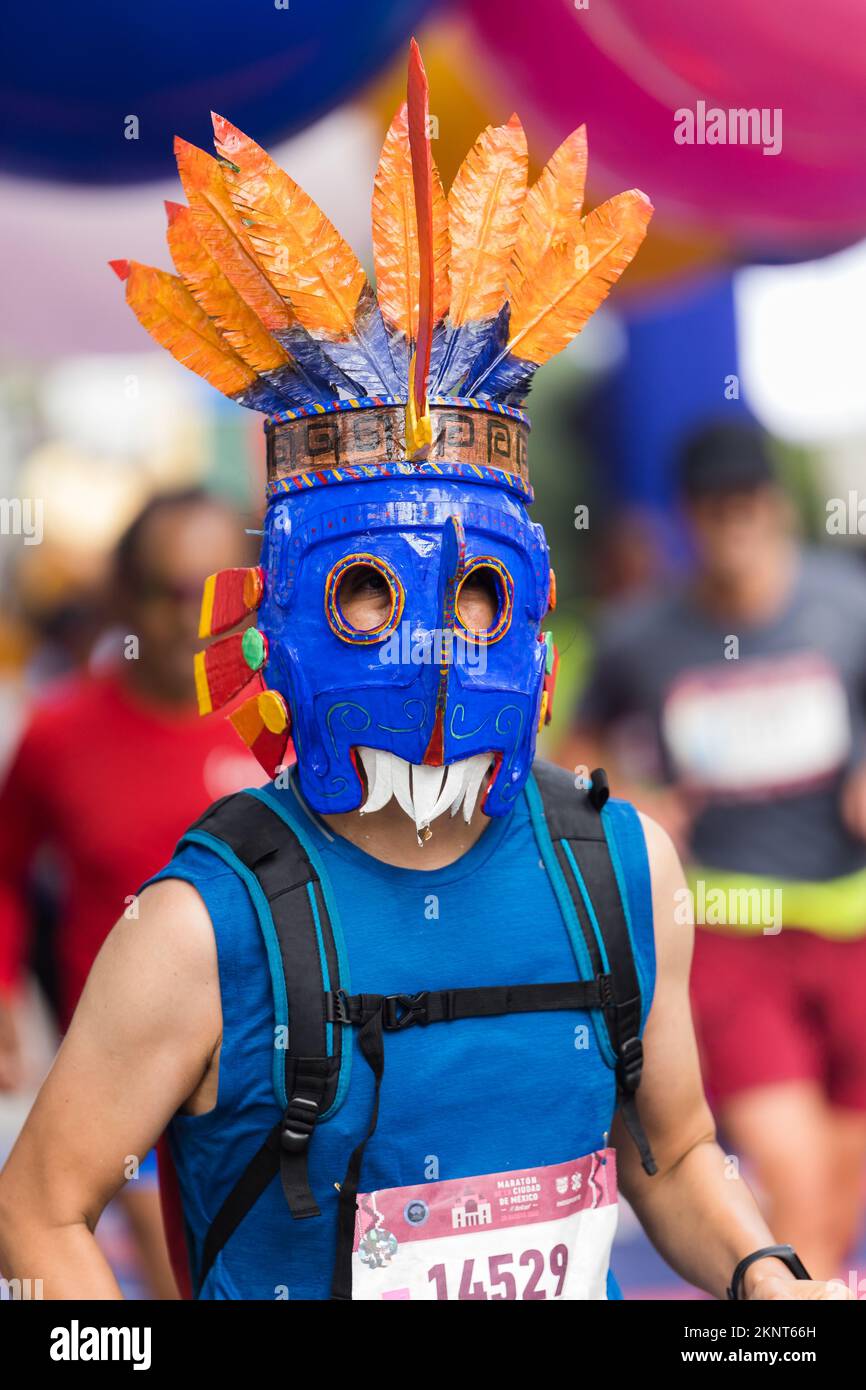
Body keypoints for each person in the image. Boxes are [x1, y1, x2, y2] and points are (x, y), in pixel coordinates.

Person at [0, 44, 848, 1302]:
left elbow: (668, 1153)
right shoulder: (198, 933)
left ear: (534, 601)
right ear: (272, 618)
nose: (437, 642)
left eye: (477, 589)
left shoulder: (623, 870)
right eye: (368, 593)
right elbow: (43, 1210)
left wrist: (768, 1289)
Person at [559, 419, 866, 1280]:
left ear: (777, 508)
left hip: (851, 926)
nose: (734, 527)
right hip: (728, 931)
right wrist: (627, 796)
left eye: (748, 506)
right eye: (714, 510)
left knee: (836, 1196)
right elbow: (579, 756)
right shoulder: (640, 635)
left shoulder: (845, 604)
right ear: (688, 520)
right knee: (794, 1169)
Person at [0, 487, 260, 1297]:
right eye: (169, 591)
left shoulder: (294, 726)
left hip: (279, 1076)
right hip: (129, 1084)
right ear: (124, 597)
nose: (194, 617)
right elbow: (4, 870)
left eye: (217, 592)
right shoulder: (59, 733)